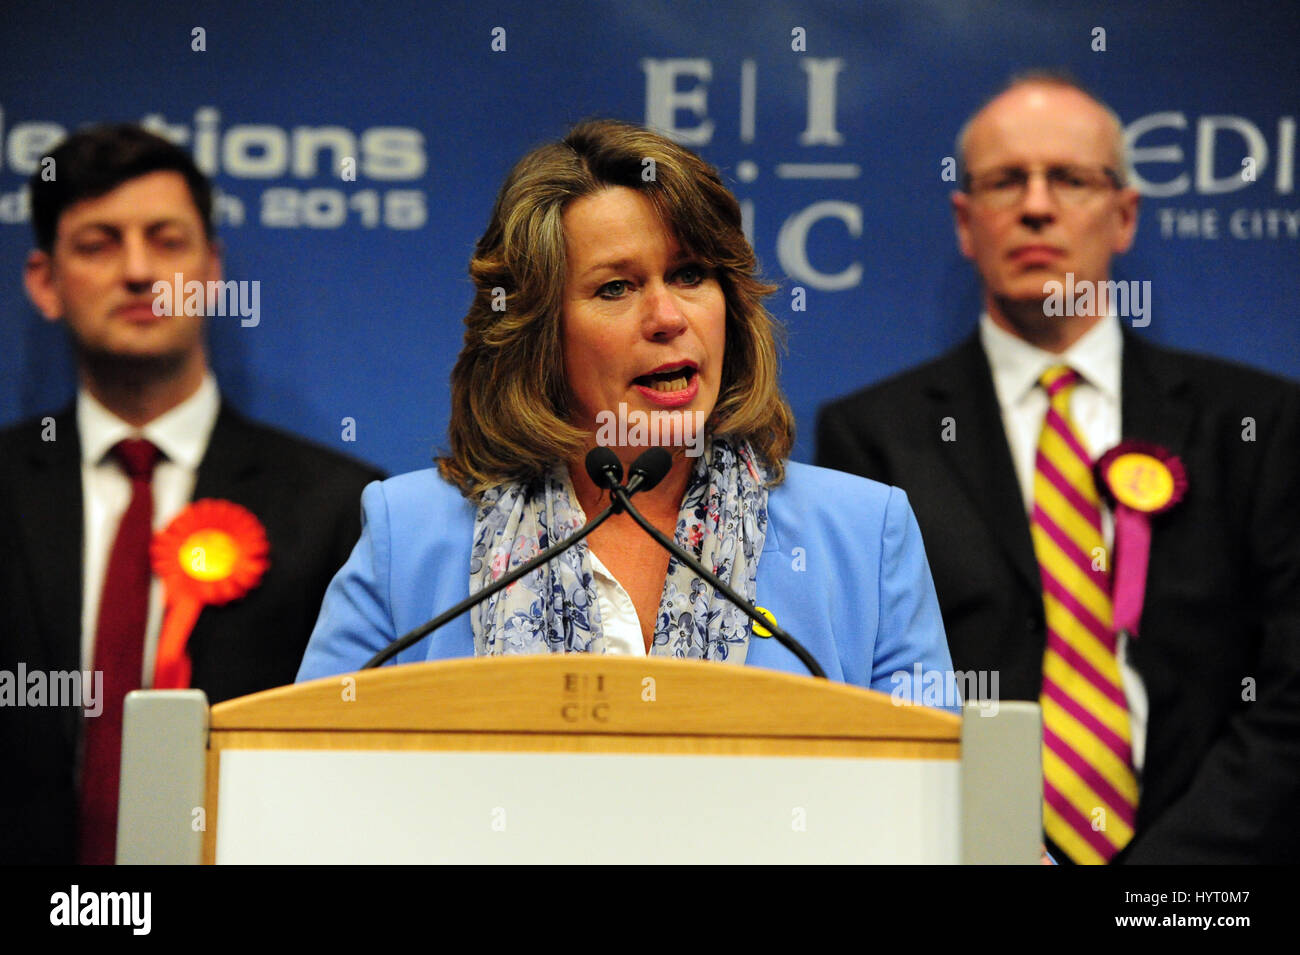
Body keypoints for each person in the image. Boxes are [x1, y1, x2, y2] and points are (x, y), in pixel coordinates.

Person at [297, 119, 954, 704]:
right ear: (538, 333)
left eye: (691, 275)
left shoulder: (864, 538)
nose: (668, 318)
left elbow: (937, 816)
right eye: (616, 287)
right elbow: (307, 788)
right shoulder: (407, 539)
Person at [816, 73, 1300, 863]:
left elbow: (1289, 691)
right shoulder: (875, 437)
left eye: (1070, 179)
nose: (1036, 206)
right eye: (1006, 180)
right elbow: (870, 703)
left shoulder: (1257, 425)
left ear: (1125, 214)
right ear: (965, 222)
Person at [0, 124, 384, 864]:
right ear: (45, 282)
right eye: (98, 243)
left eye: (166, 240)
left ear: (211, 268)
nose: (140, 270)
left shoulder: (342, 506)